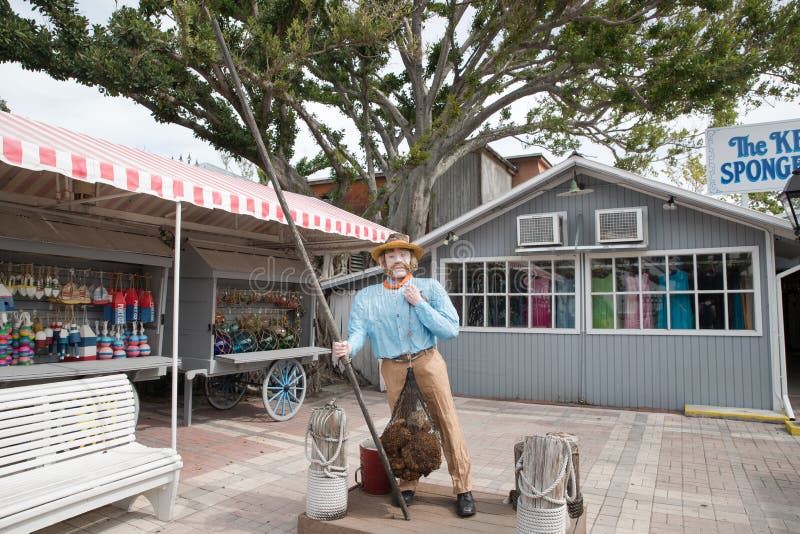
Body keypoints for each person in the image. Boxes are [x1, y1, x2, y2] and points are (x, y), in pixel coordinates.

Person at [332, 233, 476, 517]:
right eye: (390, 254)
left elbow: (451, 329)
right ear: (383, 261)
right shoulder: (368, 297)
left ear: (411, 259)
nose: (397, 258)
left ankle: (463, 488)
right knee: (403, 427)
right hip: (393, 367)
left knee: (447, 422)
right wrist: (348, 346)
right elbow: (359, 331)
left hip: (427, 362)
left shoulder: (429, 288)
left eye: (402, 253)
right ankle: (408, 484)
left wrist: (419, 303)